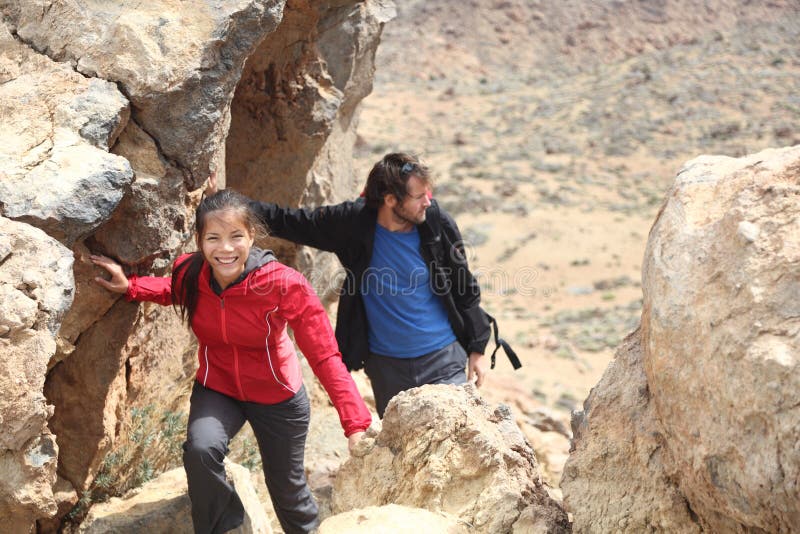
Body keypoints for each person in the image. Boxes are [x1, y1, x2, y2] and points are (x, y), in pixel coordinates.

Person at [91, 189, 371, 534]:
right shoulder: (191, 273)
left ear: (251, 236)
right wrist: (131, 286)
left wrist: (355, 423)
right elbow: (171, 289)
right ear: (199, 240)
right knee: (200, 450)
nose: (225, 249)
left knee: (287, 491)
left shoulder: (283, 284)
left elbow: (324, 356)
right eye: (214, 238)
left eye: (236, 236)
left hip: (278, 397)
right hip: (218, 388)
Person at [223, 152, 519, 418]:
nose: (427, 201)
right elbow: (291, 221)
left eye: (428, 193)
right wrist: (228, 204)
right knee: (403, 455)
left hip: (444, 360)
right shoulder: (353, 223)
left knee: (458, 437)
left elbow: (464, 286)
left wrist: (478, 349)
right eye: (419, 196)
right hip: (386, 367)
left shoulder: (435, 222)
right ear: (391, 199)